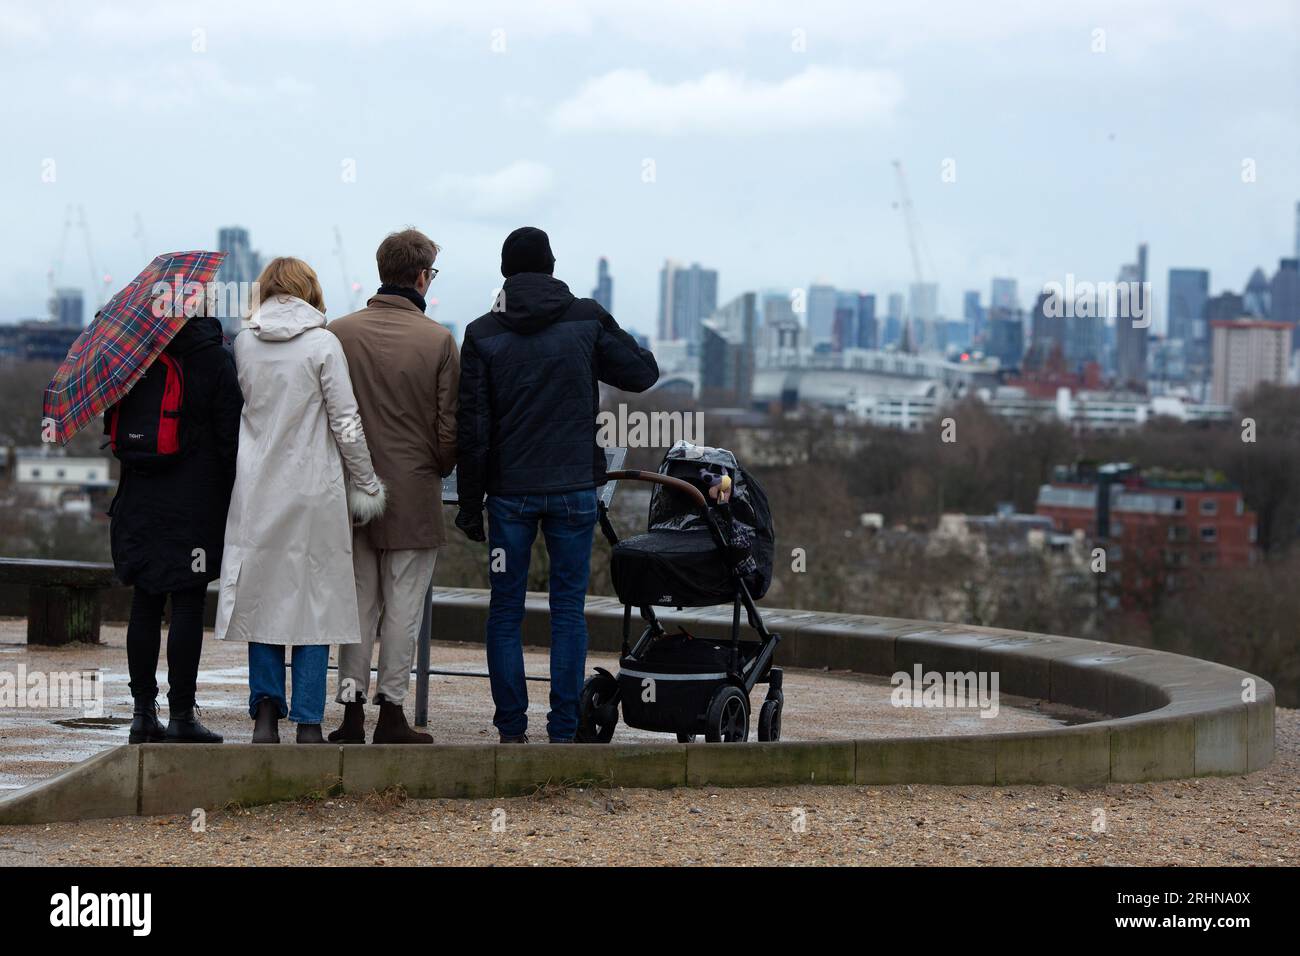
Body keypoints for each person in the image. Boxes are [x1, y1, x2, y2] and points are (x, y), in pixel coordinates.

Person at [455, 227, 658, 743]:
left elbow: (474, 429)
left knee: (505, 611)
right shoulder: (585, 317)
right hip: (572, 488)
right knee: (568, 610)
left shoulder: (482, 333)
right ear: (550, 266)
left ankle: (511, 732)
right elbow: (641, 374)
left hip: (508, 493)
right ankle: (564, 730)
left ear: (505, 272)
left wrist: (470, 505)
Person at [216, 257, 387, 744]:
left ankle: (266, 713)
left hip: (258, 487)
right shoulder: (323, 343)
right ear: (309, 290)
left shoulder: (245, 342)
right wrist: (368, 483)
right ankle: (309, 722)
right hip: (315, 489)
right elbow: (346, 422)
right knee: (317, 604)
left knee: (262, 600)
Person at [325, 228, 459, 744]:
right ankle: (393, 712)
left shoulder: (339, 332)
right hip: (414, 489)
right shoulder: (439, 340)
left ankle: (351, 711)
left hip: (349, 490)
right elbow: (450, 431)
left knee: (356, 605)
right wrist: (434, 466)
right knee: (403, 609)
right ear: (422, 276)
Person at [110, 297, 242, 744]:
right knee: (187, 602)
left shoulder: (132, 357)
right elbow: (231, 442)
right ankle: (183, 714)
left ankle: (142, 713)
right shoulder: (217, 359)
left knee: (145, 602)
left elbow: (114, 428)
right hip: (195, 504)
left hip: (138, 500)